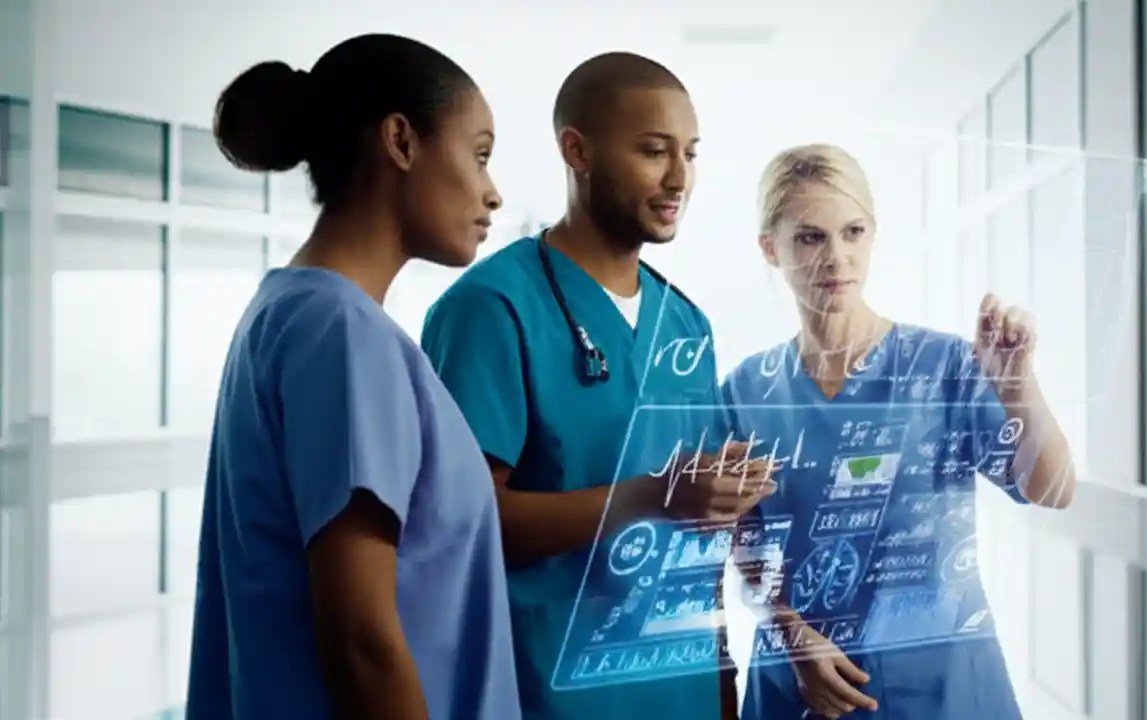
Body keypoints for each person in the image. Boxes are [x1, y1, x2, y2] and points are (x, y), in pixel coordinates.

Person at [419, 52, 773, 720]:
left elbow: (702, 538)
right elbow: (463, 523)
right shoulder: (492, 308)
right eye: (652, 151)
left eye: (690, 154)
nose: (678, 179)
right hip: (552, 693)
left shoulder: (686, 322)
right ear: (576, 151)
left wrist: (724, 689)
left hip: (685, 690)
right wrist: (649, 495)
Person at [186, 34, 520, 720]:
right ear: (400, 140)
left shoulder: (290, 311)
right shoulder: (339, 332)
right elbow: (361, 644)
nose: (492, 191)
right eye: (479, 154)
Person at [721, 144, 1078, 719]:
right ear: (770, 248)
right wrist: (788, 633)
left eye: (853, 232)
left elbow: (1054, 490)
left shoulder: (943, 366)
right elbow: (743, 539)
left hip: (941, 682)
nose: (836, 257)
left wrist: (1019, 391)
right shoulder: (745, 390)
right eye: (810, 237)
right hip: (803, 683)